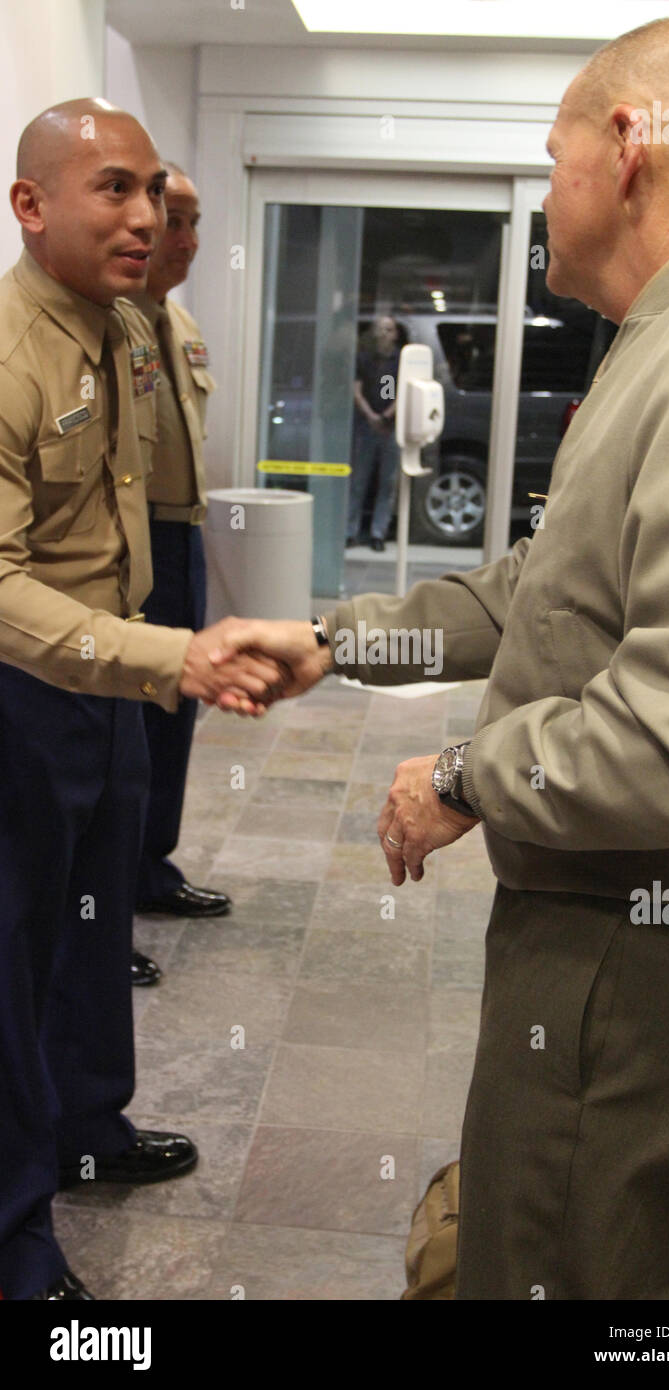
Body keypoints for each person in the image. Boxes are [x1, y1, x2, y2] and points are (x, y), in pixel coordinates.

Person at [212, 17, 669, 1299]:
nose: (546, 189)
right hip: (604, 957)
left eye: (554, 150)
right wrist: (330, 638)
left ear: (625, 147)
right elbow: (543, 587)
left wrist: (462, 776)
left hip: (632, 981)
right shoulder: (665, 339)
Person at [0, 99, 280, 1301]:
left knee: (96, 920)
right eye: (112, 188)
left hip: (106, 677)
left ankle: (85, 1124)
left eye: (151, 191)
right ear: (32, 205)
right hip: (22, 690)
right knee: (11, 962)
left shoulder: (122, 325)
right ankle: (15, 1230)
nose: (144, 215)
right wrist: (164, 658)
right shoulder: (9, 353)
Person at [130, 163, 231, 989]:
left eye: (194, 223)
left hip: (183, 543)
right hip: (131, 552)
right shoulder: (111, 324)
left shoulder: (182, 322)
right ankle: (100, 904)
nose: (186, 239)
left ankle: (148, 872)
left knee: (173, 726)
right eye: (176, 220)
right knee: (123, 737)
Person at [347, 315, 401, 551]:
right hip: (366, 426)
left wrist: (387, 415)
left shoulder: (400, 360)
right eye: (379, 329)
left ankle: (378, 533)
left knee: (387, 482)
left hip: (391, 427)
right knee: (359, 479)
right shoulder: (364, 359)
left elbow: (404, 391)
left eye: (388, 329)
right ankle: (351, 531)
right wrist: (370, 416)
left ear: (395, 333)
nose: (383, 334)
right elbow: (356, 390)